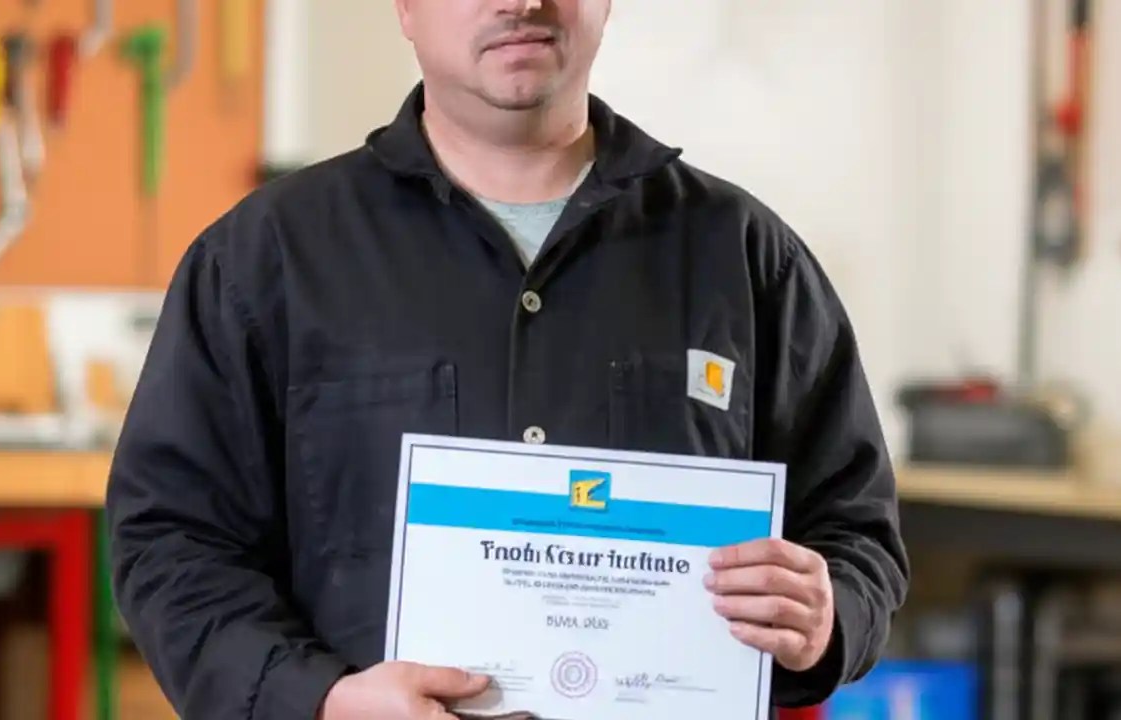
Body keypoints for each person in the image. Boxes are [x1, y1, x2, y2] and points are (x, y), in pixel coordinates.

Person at [105, 0, 910, 718]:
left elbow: (855, 530)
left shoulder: (745, 257)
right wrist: (321, 700)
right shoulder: (264, 261)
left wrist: (828, 612)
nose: (524, 2)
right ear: (406, 9)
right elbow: (171, 544)